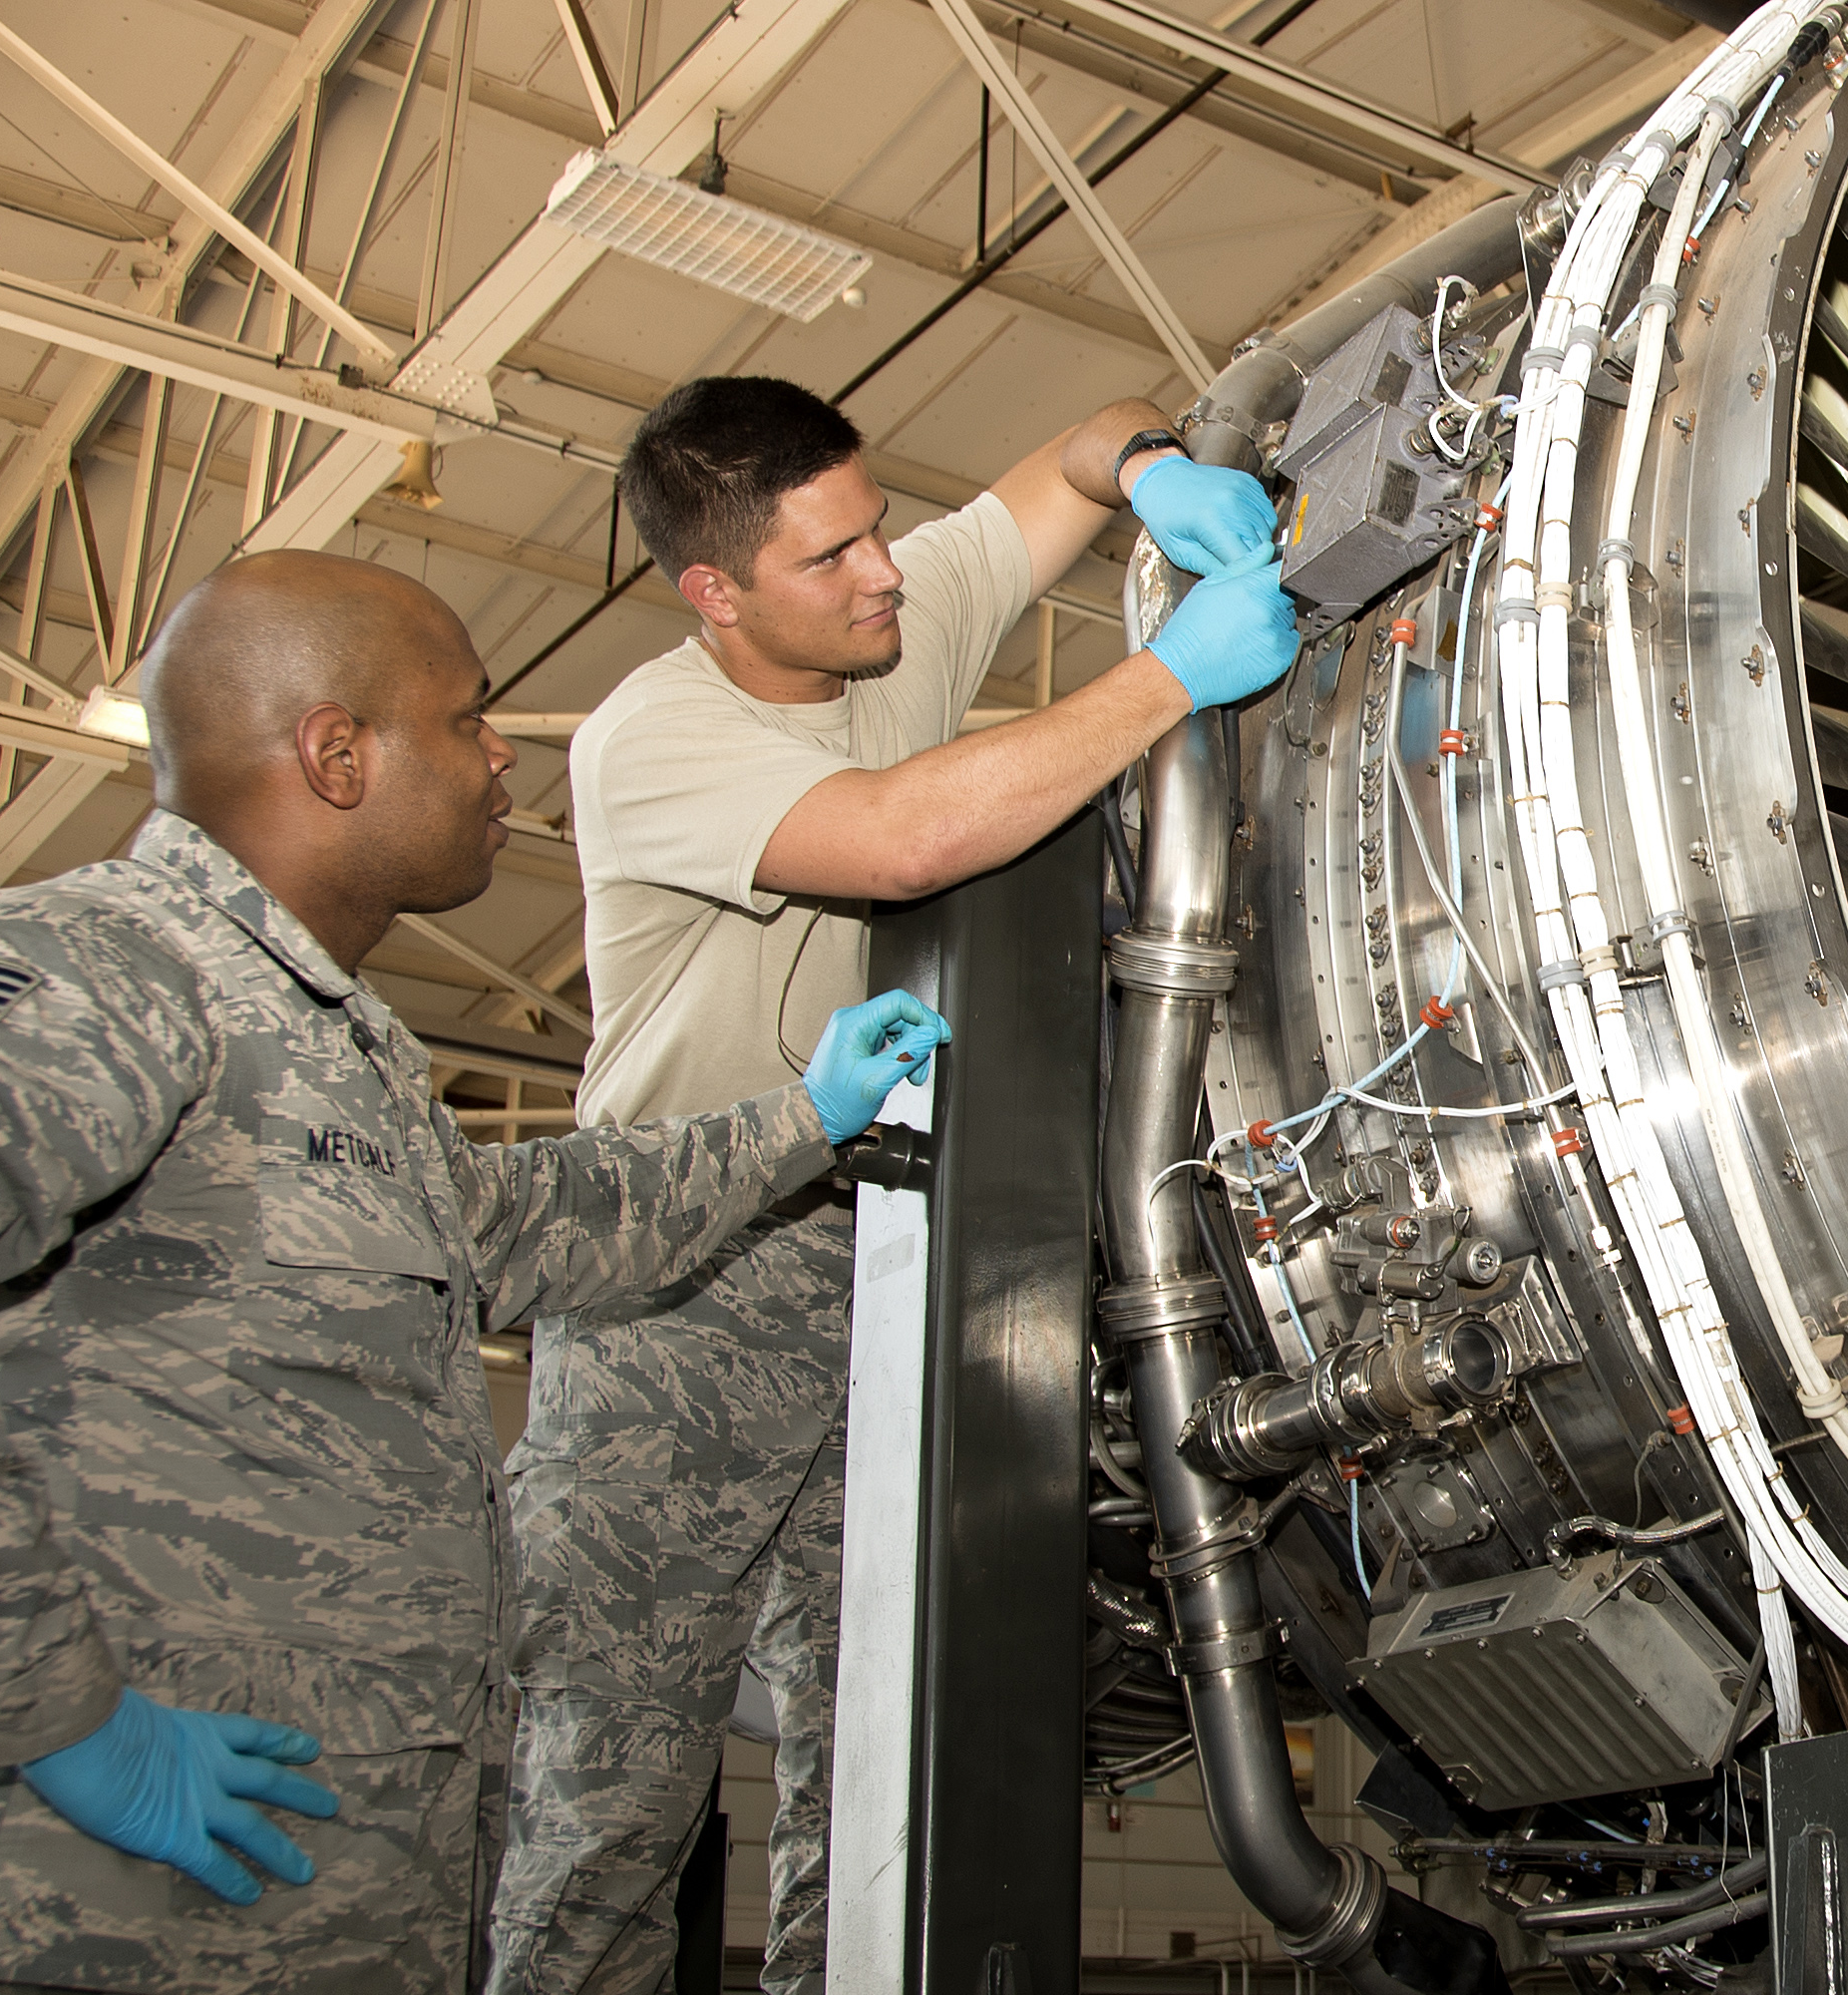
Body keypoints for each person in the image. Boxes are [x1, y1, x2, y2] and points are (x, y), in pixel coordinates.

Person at [0, 550, 947, 1994]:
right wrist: (49, 1707)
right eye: (469, 720)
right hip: (58, 1928)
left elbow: (533, 1219)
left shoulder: (335, 1060)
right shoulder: (117, 969)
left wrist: (801, 1120)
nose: (497, 763)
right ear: (336, 754)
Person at [493, 378, 1294, 1993]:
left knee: (874, 1807)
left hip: (882, 1273)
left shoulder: (889, 618)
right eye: (831, 559)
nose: (885, 575)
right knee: (608, 1814)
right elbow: (898, 838)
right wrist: (1161, 680)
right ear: (715, 591)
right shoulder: (651, 735)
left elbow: (1073, 442)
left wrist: (1141, 469)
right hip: (678, 1288)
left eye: (876, 527)